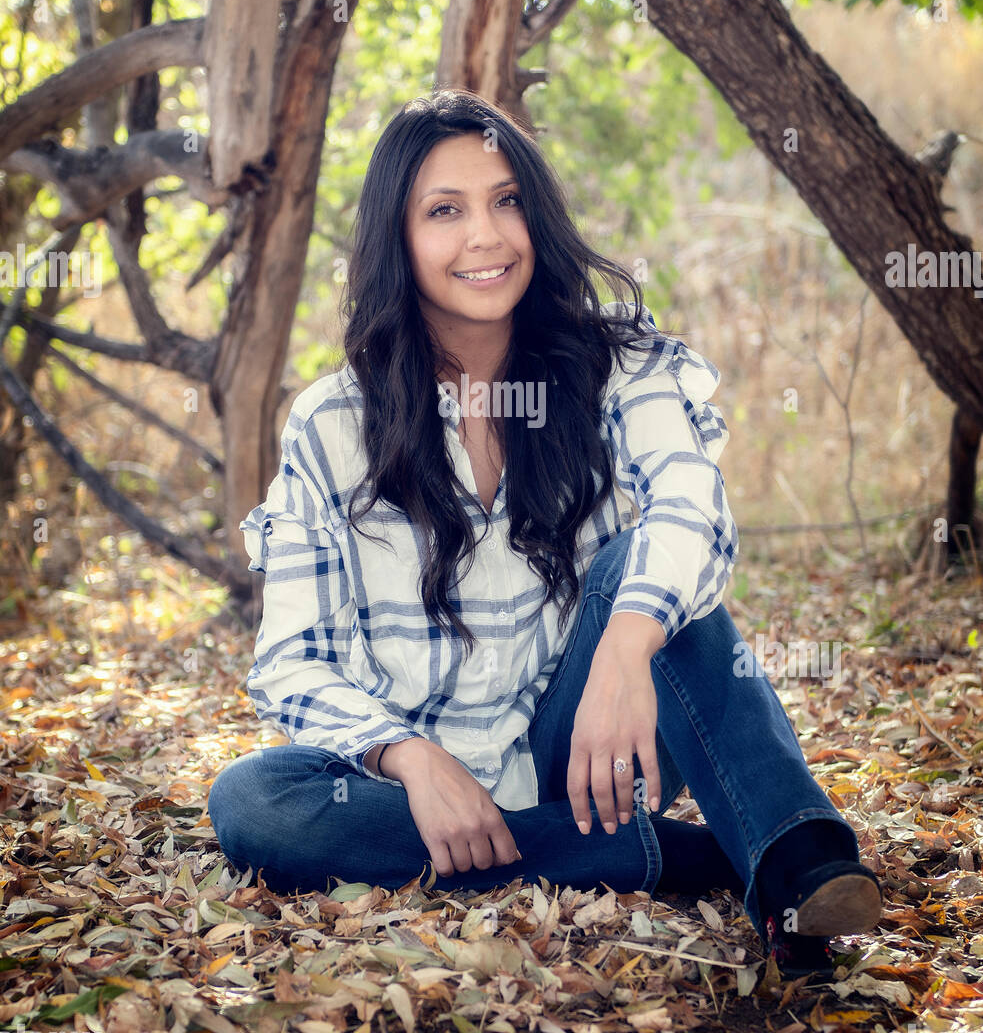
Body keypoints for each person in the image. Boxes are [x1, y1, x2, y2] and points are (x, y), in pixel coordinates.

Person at [208, 88, 881, 980]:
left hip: (593, 754)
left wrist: (623, 651)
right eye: (444, 211)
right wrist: (411, 758)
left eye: (507, 200)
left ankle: (798, 860)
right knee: (254, 802)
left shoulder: (619, 366)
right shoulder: (332, 423)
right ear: (395, 241)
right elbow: (289, 659)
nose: (485, 236)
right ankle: (696, 856)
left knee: (653, 571)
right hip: (407, 794)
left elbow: (691, 506)